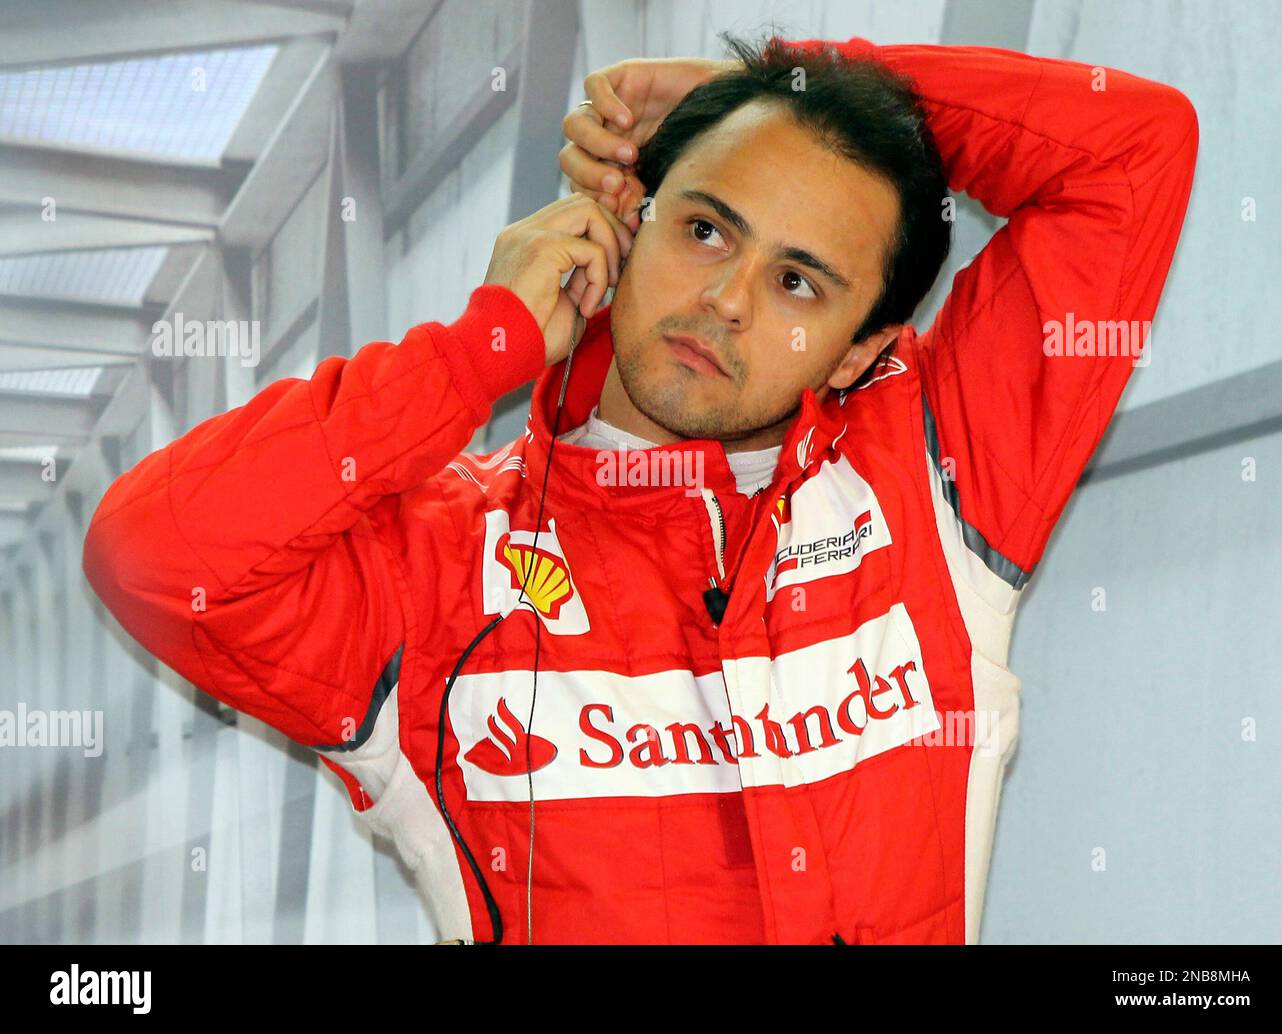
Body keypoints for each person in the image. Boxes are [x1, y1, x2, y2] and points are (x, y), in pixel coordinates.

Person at [83, 32, 1197, 945]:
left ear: (862, 352)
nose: (724, 301)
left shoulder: (935, 468)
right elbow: (155, 553)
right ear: (627, 225)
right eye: (706, 227)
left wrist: (780, 83)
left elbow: (1132, 149)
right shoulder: (431, 568)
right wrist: (479, 351)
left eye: (797, 280)